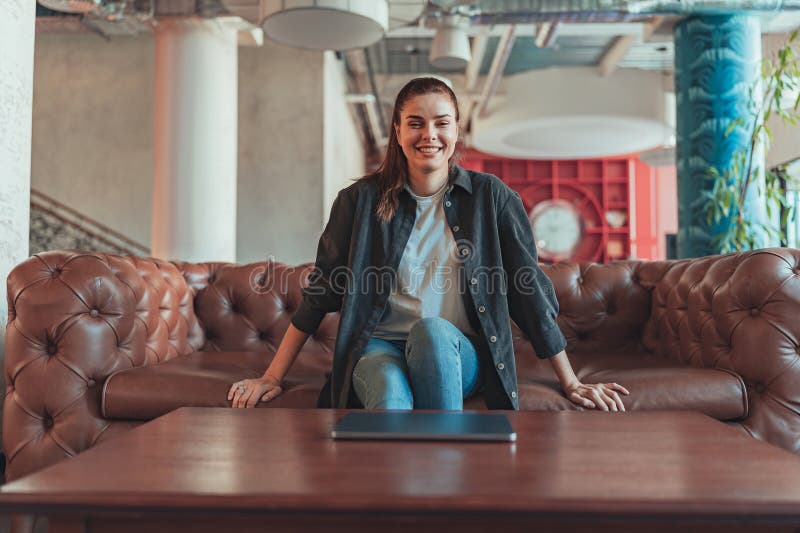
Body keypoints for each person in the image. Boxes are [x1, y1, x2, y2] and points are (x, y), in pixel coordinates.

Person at [228, 77, 629, 412]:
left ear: (456, 130)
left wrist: (572, 382)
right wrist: (271, 376)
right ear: (398, 131)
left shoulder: (493, 198)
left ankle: (446, 494)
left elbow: (530, 297)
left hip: (458, 352)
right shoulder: (359, 201)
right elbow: (321, 294)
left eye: (441, 123)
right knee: (388, 400)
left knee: (432, 333)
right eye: (416, 123)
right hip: (379, 348)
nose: (429, 135)